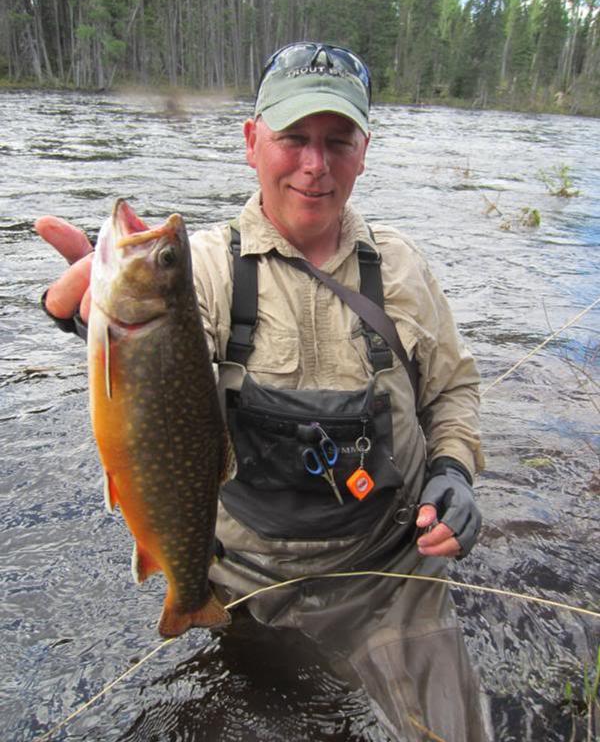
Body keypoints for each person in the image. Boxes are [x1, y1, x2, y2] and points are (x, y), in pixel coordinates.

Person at [37, 42, 489, 741]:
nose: (315, 165)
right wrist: (81, 316)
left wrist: (454, 472)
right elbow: (154, 367)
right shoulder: (207, 270)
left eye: (337, 141)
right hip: (249, 587)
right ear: (252, 142)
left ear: (364, 150)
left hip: (387, 580)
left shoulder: (401, 268)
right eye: (293, 139)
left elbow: (452, 391)